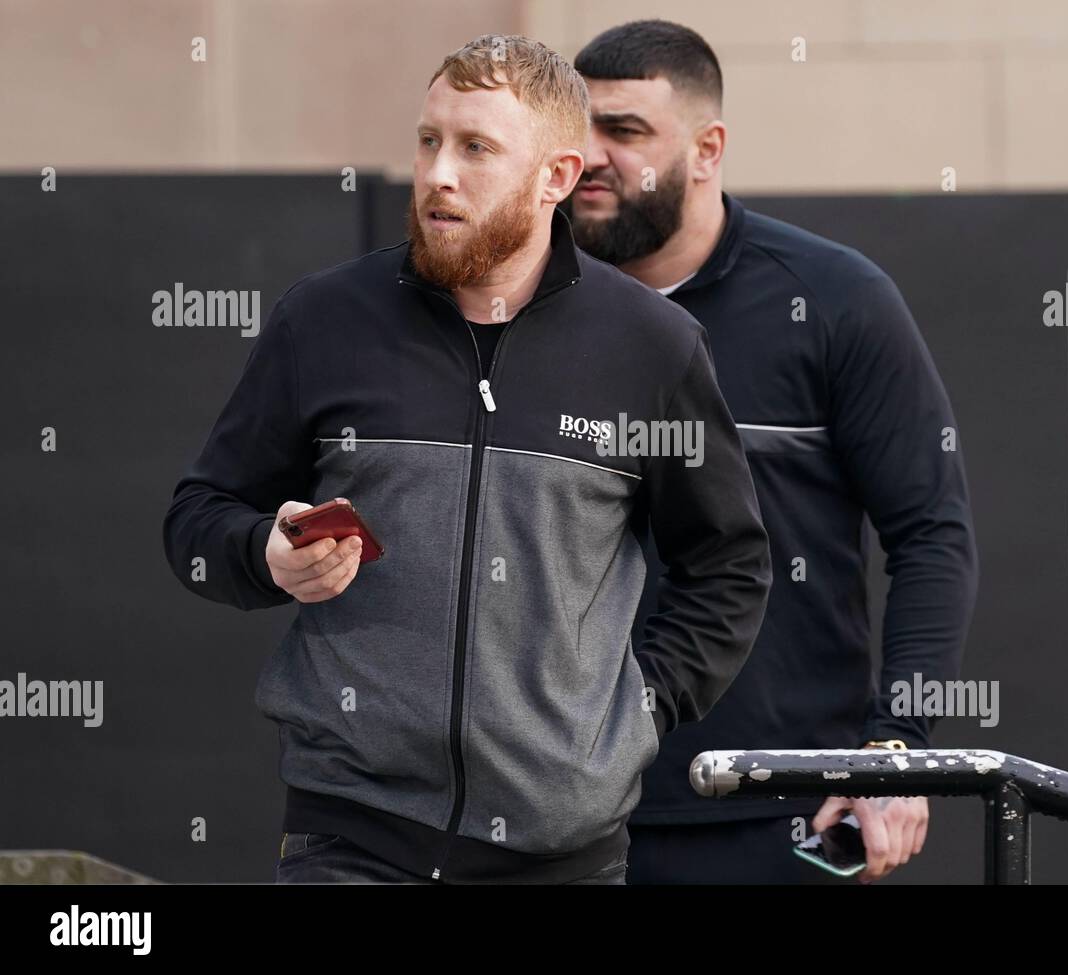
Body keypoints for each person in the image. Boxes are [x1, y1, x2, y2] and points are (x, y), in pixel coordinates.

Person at [161, 33, 771, 885]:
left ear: (557, 177)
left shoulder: (652, 346)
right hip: (350, 838)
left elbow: (730, 563)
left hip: (563, 857)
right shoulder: (327, 319)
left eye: (476, 148)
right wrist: (263, 551)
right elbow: (196, 518)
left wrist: (636, 710)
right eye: (428, 141)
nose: (438, 173)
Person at [570, 20, 978, 884]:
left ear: (707, 149)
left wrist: (896, 749)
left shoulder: (835, 300)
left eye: (626, 132)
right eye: (579, 132)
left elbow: (932, 535)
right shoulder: (526, 310)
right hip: (558, 808)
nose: (591, 157)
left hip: (783, 808)